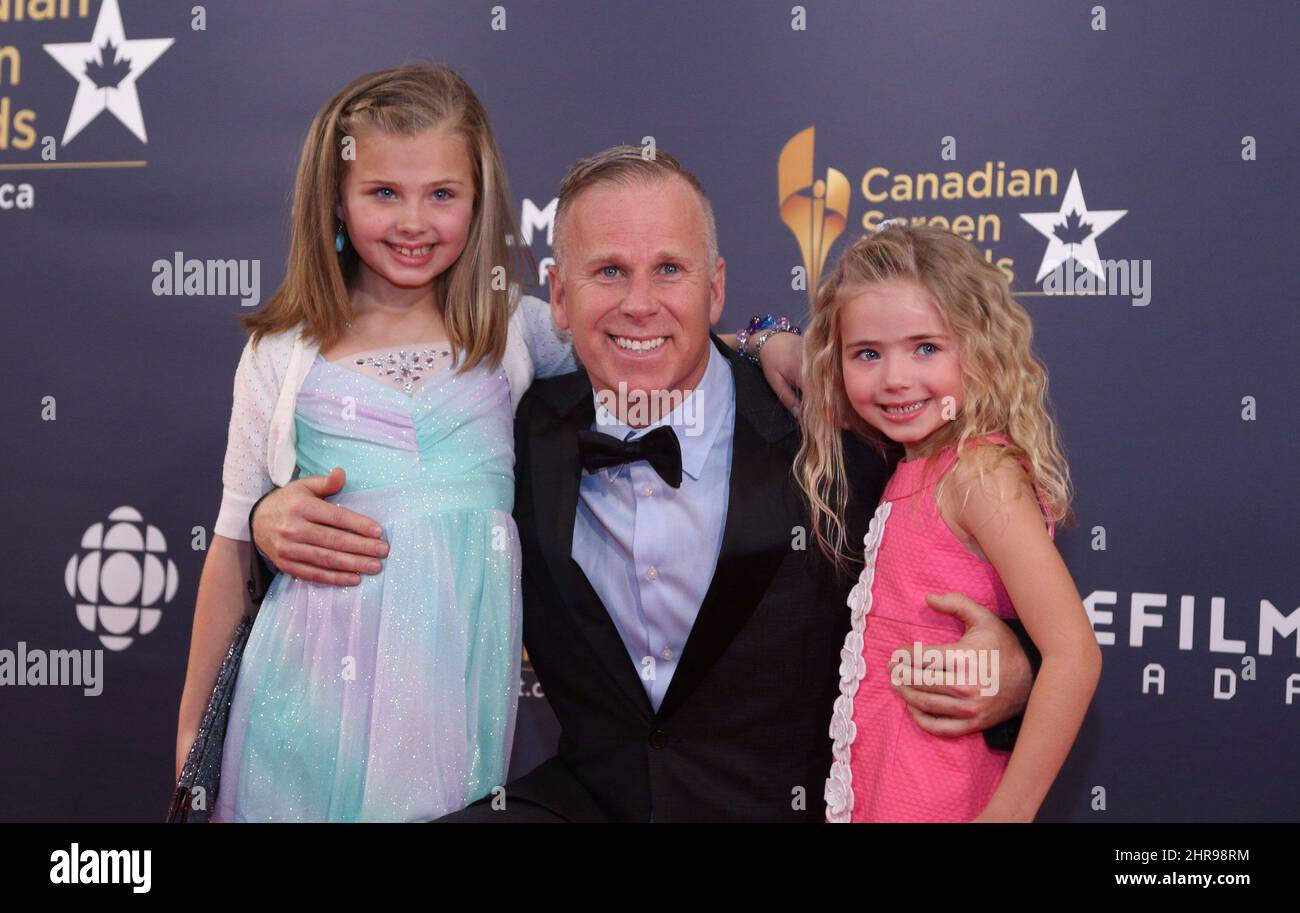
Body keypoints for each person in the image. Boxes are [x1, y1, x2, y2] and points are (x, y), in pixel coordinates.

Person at [252, 147, 1040, 822]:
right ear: (558, 296)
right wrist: (267, 518)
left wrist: (1014, 674)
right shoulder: (514, 436)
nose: (638, 303)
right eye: (608, 272)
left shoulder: (836, 433)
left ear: (716, 288)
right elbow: (400, 512)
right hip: (591, 804)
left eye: (669, 268)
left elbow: (976, 590)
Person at [173, 65, 578, 822]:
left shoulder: (512, 333)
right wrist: (192, 737)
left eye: (443, 194)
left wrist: (765, 348)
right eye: (384, 192)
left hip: (449, 721)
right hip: (296, 719)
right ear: (336, 197)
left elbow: (650, 346)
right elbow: (231, 548)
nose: (414, 222)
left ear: (480, 199)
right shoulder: (281, 354)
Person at [798, 224, 1102, 822]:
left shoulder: (978, 474)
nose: (895, 379)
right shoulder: (911, 464)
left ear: (979, 345)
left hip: (943, 795)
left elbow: (1073, 654)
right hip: (884, 786)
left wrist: (1007, 816)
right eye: (867, 354)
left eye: (926, 348)